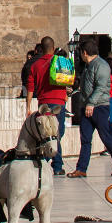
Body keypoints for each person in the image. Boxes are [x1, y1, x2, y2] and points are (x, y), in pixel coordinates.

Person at [68, 38, 112, 178]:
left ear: (85, 52)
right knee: (85, 138)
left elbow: (100, 87)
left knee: (105, 136)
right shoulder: (88, 66)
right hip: (87, 106)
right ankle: (81, 168)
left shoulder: (101, 65)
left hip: (99, 107)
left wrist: (91, 103)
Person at [23, 36, 70, 174]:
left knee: (44, 133)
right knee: (57, 134)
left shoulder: (35, 65)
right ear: (53, 48)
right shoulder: (60, 62)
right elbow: (67, 81)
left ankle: (43, 161)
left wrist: (28, 106)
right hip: (59, 103)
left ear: (41, 49)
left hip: (43, 104)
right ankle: (57, 165)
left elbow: (30, 88)